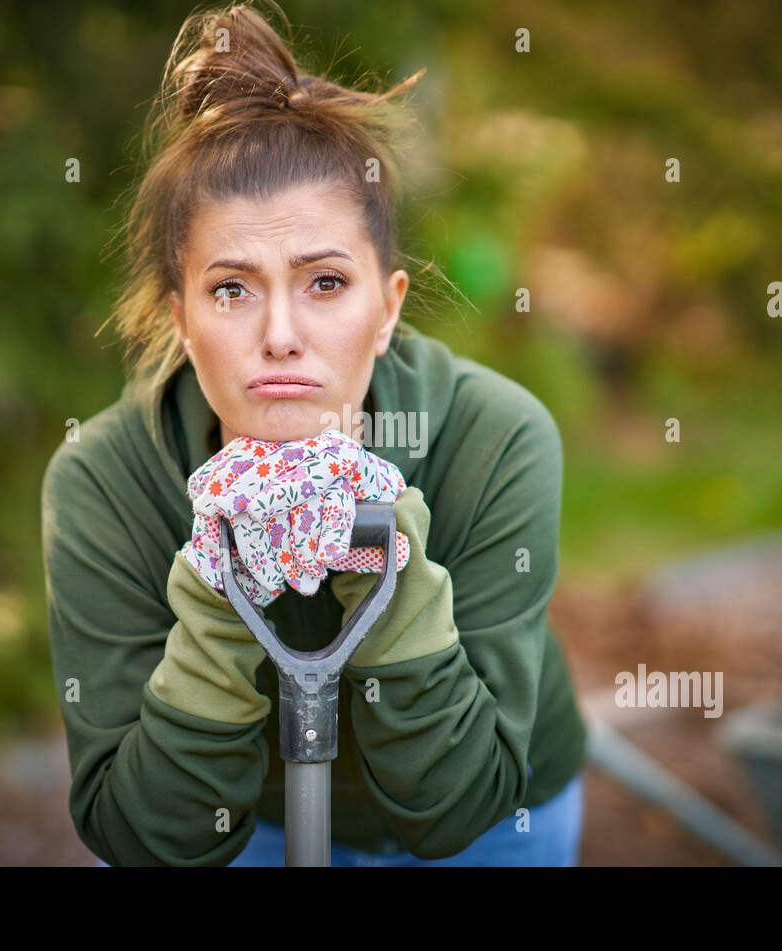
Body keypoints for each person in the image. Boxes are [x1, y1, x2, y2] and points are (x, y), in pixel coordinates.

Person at [41, 1, 588, 867]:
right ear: (181, 319)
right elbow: (142, 837)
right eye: (231, 289)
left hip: (496, 820)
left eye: (326, 282)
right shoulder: (105, 480)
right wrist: (219, 597)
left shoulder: (497, 438)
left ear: (387, 309)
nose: (281, 333)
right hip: (246, 826)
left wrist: (392, 574)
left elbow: (460, 808)